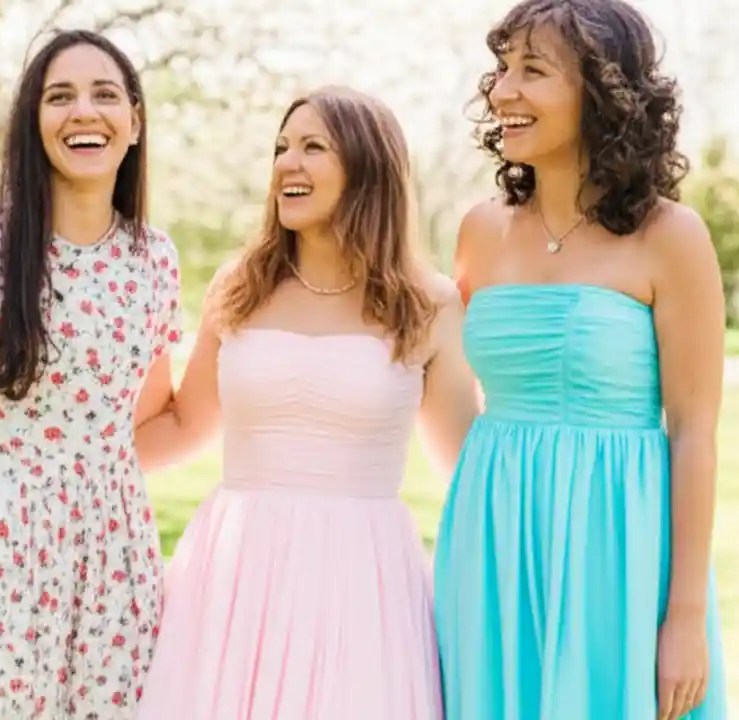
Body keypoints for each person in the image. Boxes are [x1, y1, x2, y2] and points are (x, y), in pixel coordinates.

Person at [133, 85, 479, 719]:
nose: (287, 164)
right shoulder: (239, 287)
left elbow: (474, 468)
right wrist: (61, 463)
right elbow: (183, 423)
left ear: (368, 167)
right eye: (281, 148)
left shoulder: (428, 304)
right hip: (234, 575)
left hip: (362, 578)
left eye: (313, 147)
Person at [433, 2, 728, 719]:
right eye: (502, 69)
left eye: (533, 71)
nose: (503, 91)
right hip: (493, 540)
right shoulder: (480, 231)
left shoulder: (671, 236)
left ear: (604, 91)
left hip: (619, 542)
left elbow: (694, 431)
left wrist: (684, 616)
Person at [0, 29, 182, 719]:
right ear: (33, 123)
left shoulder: (155, 262)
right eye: (60, 97)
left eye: (105, 94)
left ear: (135, 123)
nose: (84, 112)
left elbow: (150, 414)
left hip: (119, 562)